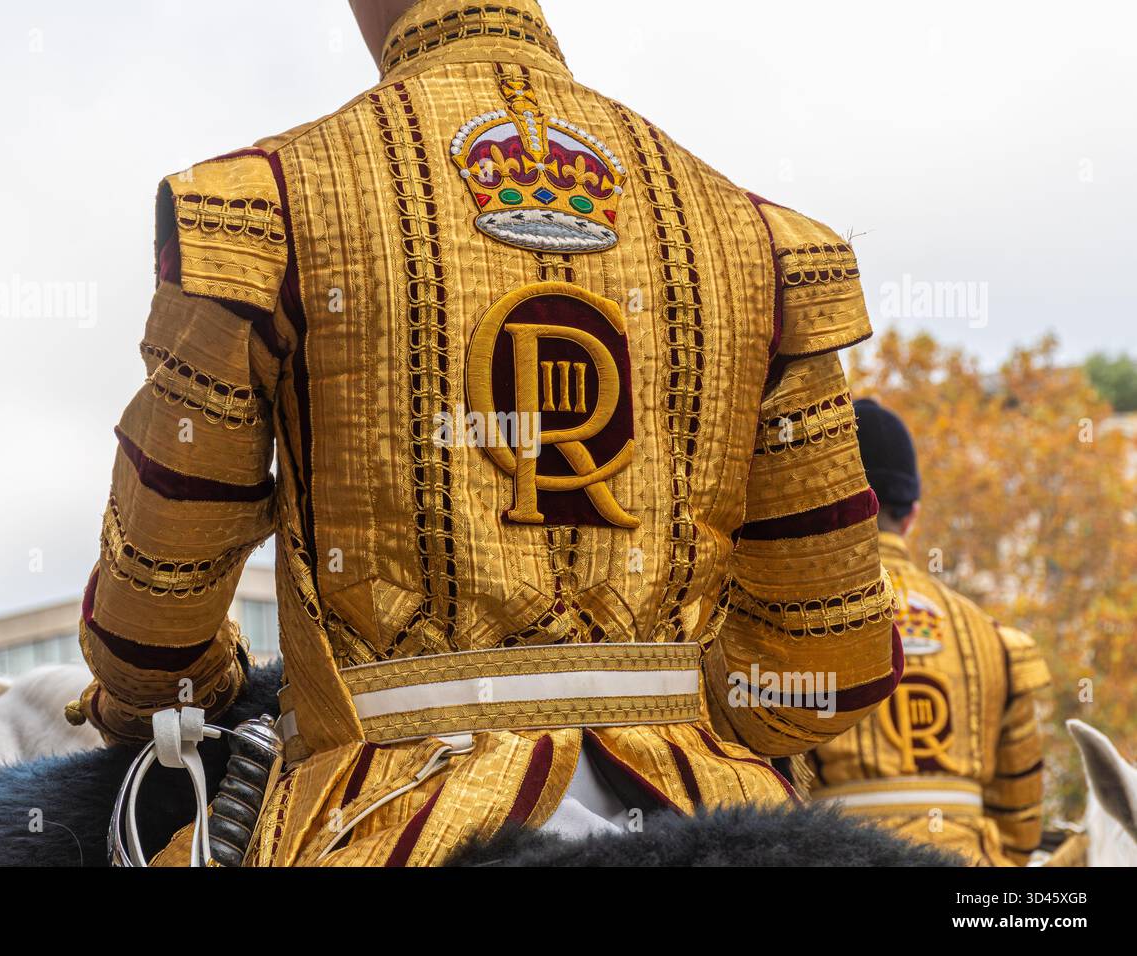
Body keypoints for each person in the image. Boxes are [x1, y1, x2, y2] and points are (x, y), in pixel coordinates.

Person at [67, 0, 902, 866]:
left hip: (379, 818)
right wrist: (677, 721)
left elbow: (153, 628)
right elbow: (830, 662)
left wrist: (197, 691)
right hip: (714, 813)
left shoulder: (256, 204)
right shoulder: (761, 239)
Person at [806, 399, 1051, 866]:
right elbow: (1020, 826)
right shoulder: (995, 639)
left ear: (825, 508)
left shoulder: (794, 629)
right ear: (912, 513)